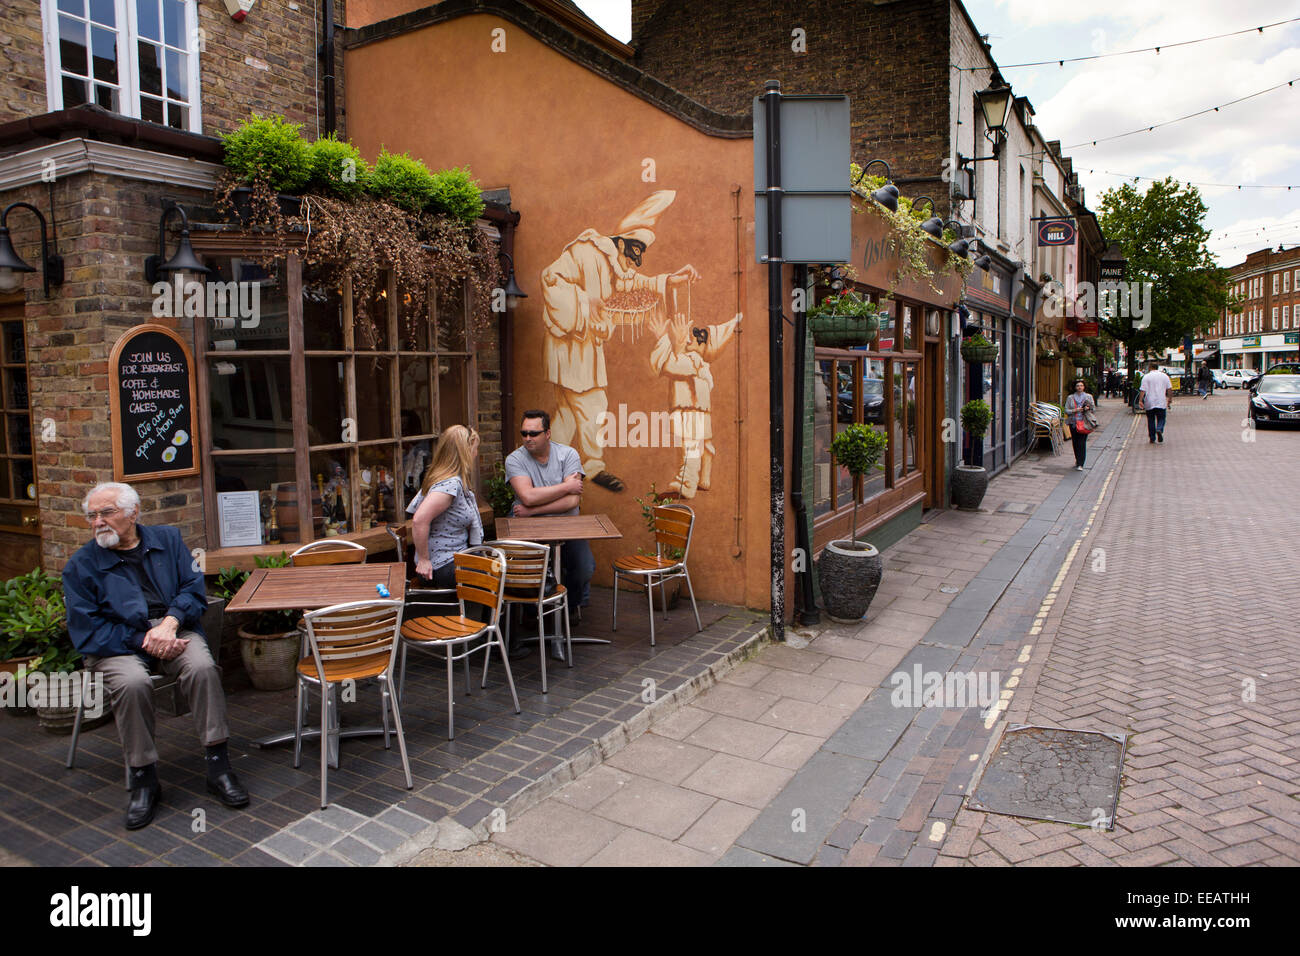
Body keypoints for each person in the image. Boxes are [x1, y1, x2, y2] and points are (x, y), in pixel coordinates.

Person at [62, 482, 248, 830]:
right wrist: (145, 639)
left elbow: (193, 590)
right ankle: (143, 778)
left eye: (107, 512)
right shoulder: (81, 566)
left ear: (133, 513)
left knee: (203, 668)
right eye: (92, 515)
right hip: (117, 643)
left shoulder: (168, 540)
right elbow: (88, 630)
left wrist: (171, 623)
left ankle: (218, 766)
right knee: (132, 683)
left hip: (172, 628)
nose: (98, 522)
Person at [540, 190, 700, 493]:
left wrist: (669, 280)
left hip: (585, 346)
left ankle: (551, 468)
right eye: (632, 256)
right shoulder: (584, 251)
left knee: (566, 411)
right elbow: (551, 278)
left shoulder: (612, 261)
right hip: (571, 345)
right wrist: (586, 301)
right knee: (592, 403)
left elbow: (633, 282)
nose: (633, 264)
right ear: (622, 244)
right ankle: (593, 466)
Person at [505, 410, 592, 637]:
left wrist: (533, 510)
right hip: (528, 528)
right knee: (527, 569)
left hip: (567, 525)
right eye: (524, 433)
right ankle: (531, 610)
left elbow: (573, 501)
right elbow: (527, 497)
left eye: (534, 433)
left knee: (584, 567)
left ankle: (570, 606)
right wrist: (565, 487)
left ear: (548, 434)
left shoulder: (568, 455)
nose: (527, 438)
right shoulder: (515, 459)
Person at [407, 425, 483, 590]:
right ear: (464, 451)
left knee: (499, 566)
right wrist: (424, 560)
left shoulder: (445, 478)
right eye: (475, 449)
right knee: (501, 572)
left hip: (452, 559)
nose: (476, 454)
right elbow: (419, 520)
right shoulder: (450, 484)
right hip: (441, 566)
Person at [1063, 379, 1096, 471]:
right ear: (1075, 387)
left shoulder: (1088, 397)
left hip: (1084, 423)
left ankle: (1081, 463)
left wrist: (1087, 408)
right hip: (1073, 423)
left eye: (1081, 385)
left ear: (1084, 387)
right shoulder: (1070, 397)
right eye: (1078, 386)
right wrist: (1075, 410)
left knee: (1082, 443)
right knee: (1075, 443)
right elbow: (1066, 410)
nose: (1079, 387)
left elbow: (1093, 409)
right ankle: (1078, 460)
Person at [1137, 359, 1173, 443]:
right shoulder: (1164, 376)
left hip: (1149, 402)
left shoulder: (1146, 376)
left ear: (1150, 368)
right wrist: (1170, 399)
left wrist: (1140, 400)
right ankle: (1159, 429)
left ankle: (1152, 438)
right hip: (1161, 401)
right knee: (1161, 418)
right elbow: (1169, 389)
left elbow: (1143, 390)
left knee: (1151, 419)